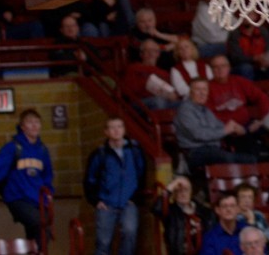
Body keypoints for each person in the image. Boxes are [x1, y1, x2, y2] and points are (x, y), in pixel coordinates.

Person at [0, 109, 54, 248]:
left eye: (37, 122)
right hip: (18, 198)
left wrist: (49, 194)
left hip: (38, 200)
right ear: (22, 126)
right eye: (30, 122)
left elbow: (47, 176)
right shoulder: (13, 148)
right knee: (38, 224)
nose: (34, 126)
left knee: (41, 234)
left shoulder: (43, 150)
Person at [84, 117, 147, 255]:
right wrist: (95, 200)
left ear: (124, 130)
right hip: (106, 202)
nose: (116, 130)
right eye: (112, 127)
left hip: (128, 201)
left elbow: (142, 174)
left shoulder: (135, 150)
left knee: (130, 233)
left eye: (119, 126)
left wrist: (136, 197)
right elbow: (90, 179)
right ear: (106, 132)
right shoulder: (100, 154)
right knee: (103, 241)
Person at [174, 78, 256, 169]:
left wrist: (235, 129)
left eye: (204, 89)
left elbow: (220, 127)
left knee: (250, 154)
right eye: (198, 89)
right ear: (190, 92)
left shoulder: (206, 110)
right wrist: (225, 130)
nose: (202, 93)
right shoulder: (185, 110)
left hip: (213, 149)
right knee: (228, 158)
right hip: (195, 152)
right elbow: (199, 134)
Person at [152, 176, 213, 255]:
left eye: (186, 190)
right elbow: (156, 209)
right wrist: (171, 186)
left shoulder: (205, 212)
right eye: (178, 191)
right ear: (173, 193)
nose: (183, 193)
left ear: (191, 192)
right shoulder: (171, 211)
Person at [123, 39, 179, 110]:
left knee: (184, 104)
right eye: (147, 50)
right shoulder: (134, 68)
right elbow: (127, 91)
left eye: (154, 51)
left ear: (158, 54)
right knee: (158, 101)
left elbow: (171, 91)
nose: (151, 53)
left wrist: (173, 95)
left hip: (164, 101)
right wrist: (149, 85)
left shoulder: (164, 73)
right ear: (141, 54)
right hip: (141, 102)